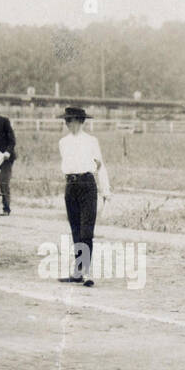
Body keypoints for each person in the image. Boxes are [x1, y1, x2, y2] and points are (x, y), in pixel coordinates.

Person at [57, 106, 110, 286]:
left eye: (70, 120)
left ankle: (86, 272)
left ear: (80, 121)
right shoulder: (63, 142)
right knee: (76, 230)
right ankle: (78, 271)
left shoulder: (91, 141)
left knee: (87, 230)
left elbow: (100, 165)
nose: (67, 123)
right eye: (65, 120)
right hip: (70, 186)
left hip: (87, 184)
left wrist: (105, 191)